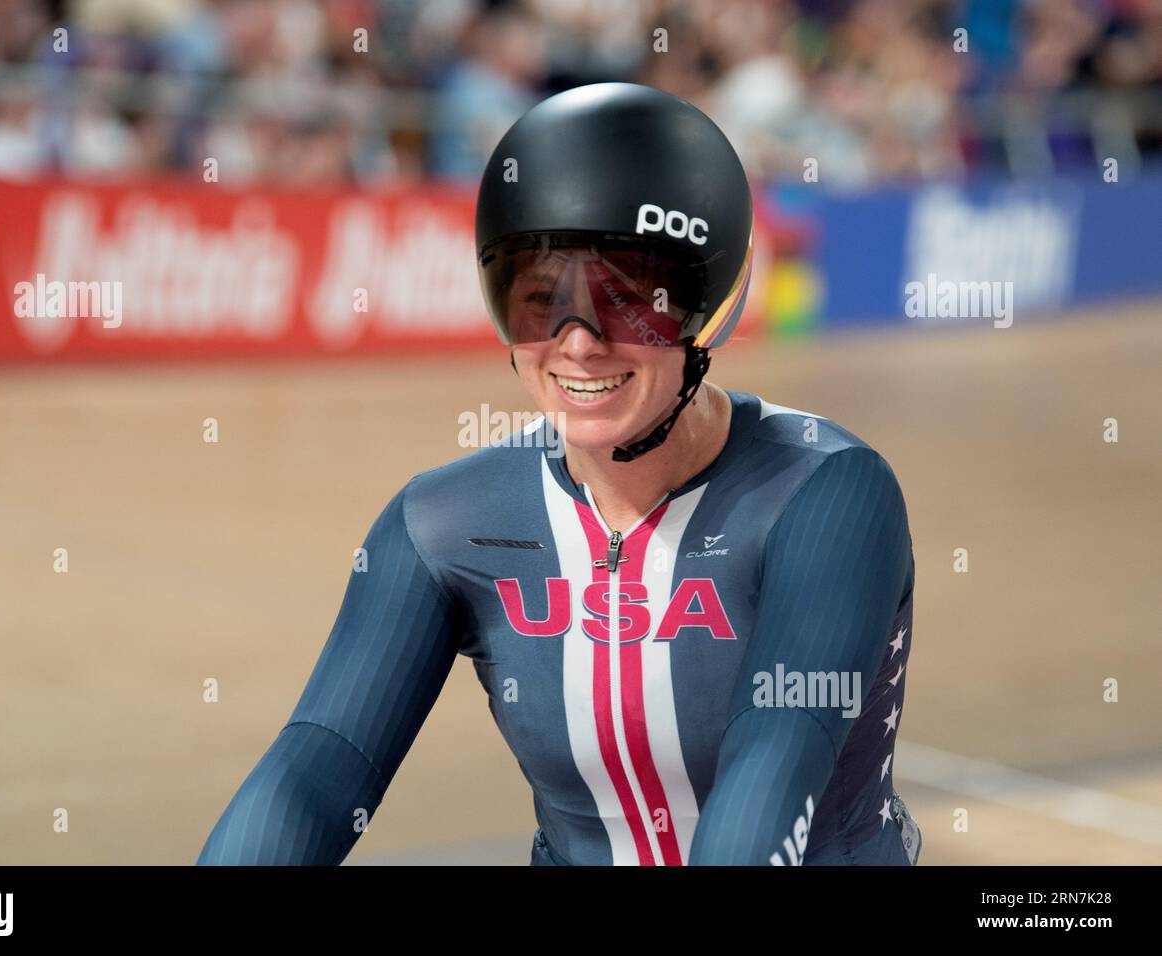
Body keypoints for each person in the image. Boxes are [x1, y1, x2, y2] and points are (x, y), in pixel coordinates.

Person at [198, 82, 921, 866]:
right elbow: (312, 776)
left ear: (706, 308)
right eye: (540, 304)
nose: (576, 344)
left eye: (623, 304)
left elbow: (774, 764)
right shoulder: (446, 520)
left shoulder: (829, 494)